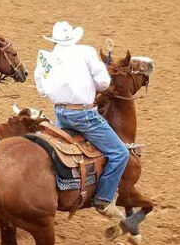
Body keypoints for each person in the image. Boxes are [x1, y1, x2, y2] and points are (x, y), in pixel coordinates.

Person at [34, 21, 129, 219]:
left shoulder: (45, 57)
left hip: (60, 114)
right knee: (120, 153)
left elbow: (42, 90)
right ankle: (104, 198)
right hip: (84, 116)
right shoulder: (86, 52)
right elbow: (103, 84)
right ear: (74, 38)